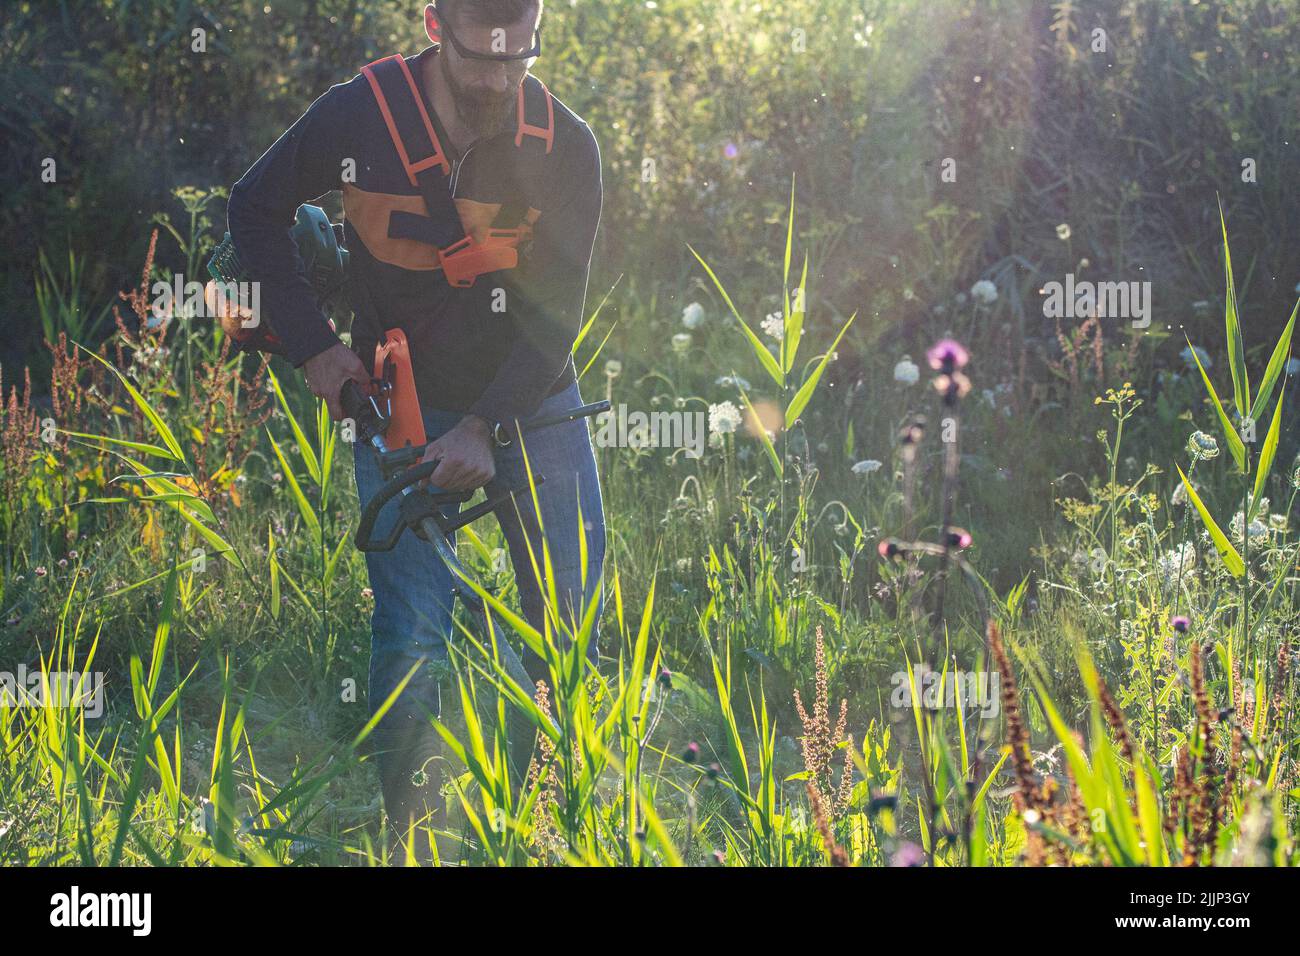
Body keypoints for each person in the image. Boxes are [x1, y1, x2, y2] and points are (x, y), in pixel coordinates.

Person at [225, 0, 605, 860]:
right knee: (413, 632)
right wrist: (318, 351)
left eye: (520, 59)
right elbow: (252, 208)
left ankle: (540, 817)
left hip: (531, 395)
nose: (501, 80)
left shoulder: (565, 145)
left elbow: (558, 318)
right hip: (396, 403)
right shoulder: (359, 115)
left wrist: (484, 428)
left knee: (568, 617)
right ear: (435, 26)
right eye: (481, 59)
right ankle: (411, 837)